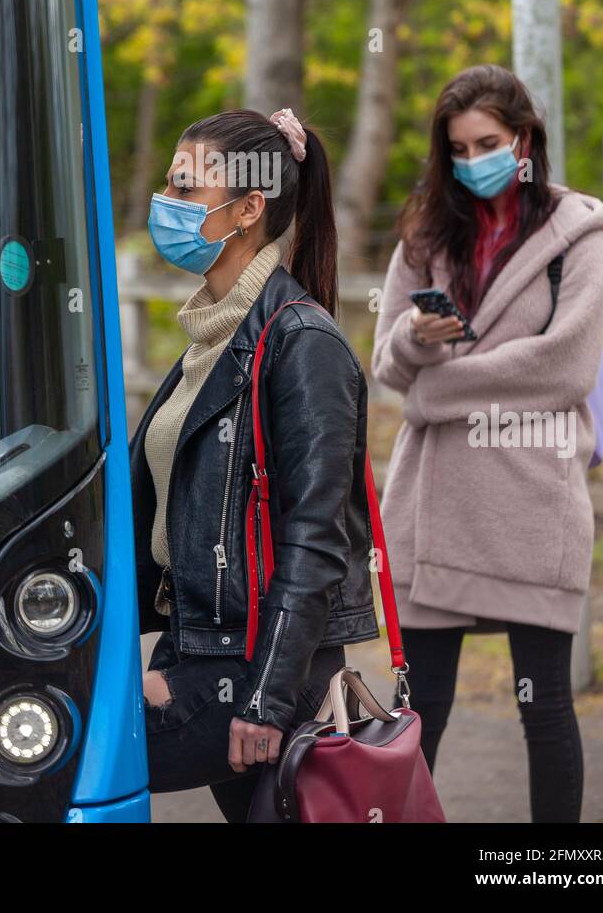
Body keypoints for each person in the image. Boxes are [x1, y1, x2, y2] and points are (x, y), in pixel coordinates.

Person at [371, 64, 603, 824]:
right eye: (460, 147)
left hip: (533, 502)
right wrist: (416, 336)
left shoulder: (580, 230)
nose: (475, 159)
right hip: (434, 504)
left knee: (544, 710)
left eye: (490, 143)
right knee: (423, 716)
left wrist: (437, 391)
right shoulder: (427, 233)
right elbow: (384, 363)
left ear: (525, 140)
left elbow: (564, 366)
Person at [128, 107, 380, 823]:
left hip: (262, 665)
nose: (165, 206)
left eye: (186, 189)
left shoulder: (302, 342)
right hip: (198, 646)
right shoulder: (211, 338)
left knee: (50, 747)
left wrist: (267, 698)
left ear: (246, 210)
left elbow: (315, 537)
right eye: (167, 186)